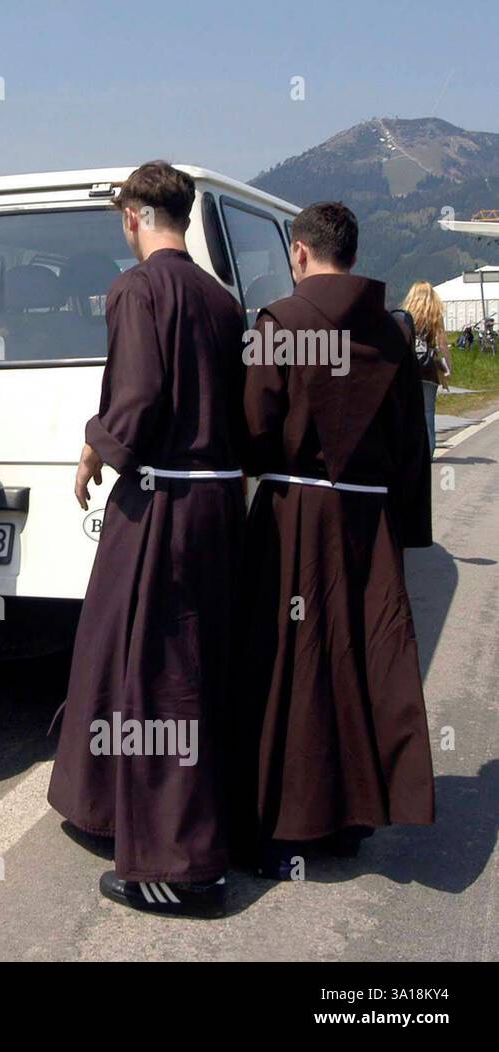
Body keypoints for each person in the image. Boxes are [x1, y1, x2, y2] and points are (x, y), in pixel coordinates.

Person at [46, 161, 248, 917]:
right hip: (215, 505)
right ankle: (114, 809)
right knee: (160, 662)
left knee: (154, 673)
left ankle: (180, 869)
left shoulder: (137, 289)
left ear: (132, 217)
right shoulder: (223, 301)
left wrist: (96, 447)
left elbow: (137, 398)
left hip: (160, 504)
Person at [231, 202, 435, 879]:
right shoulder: (393, 334)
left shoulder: (277, 322)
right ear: (349, 251)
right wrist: (405, 530)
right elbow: (412, 446)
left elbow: (254, 430)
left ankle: (279, 822)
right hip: (367, 523)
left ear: (299, 253)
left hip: (296, 517)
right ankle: (351, 817)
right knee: (355, 665)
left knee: (284, 664)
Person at [401, 281, 450, 456]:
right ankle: (428, 451)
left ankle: (410, 451)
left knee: (409, 410)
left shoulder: (406, 316)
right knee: (428, 411)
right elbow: (442, 344)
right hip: (430, 368)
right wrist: (447, 368)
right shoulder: (435, 316)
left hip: (410, 367)